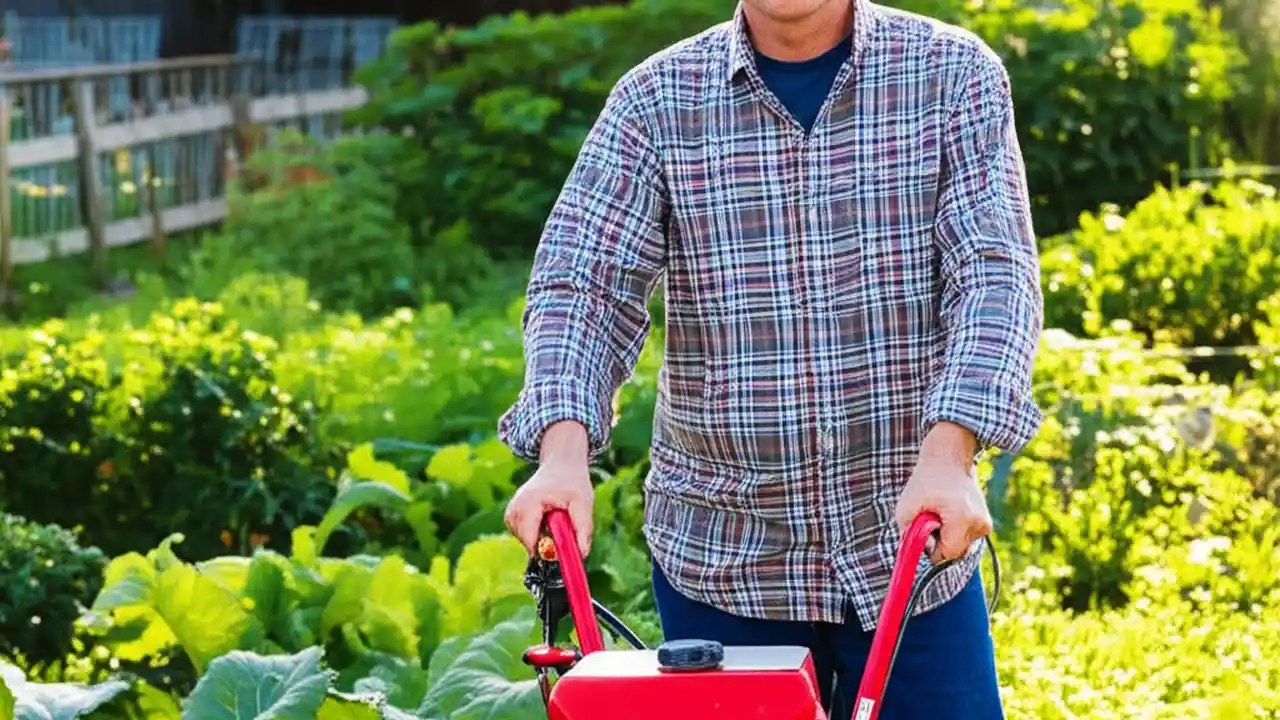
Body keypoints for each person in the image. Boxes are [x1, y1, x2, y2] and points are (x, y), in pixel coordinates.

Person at [498, 0, 1044, 717]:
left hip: (913, 553)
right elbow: (584, 287)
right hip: (725, 558)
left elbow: (994, 275)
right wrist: (562, 456)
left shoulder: (954, 74)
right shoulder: (655, 100)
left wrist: (951, 455)